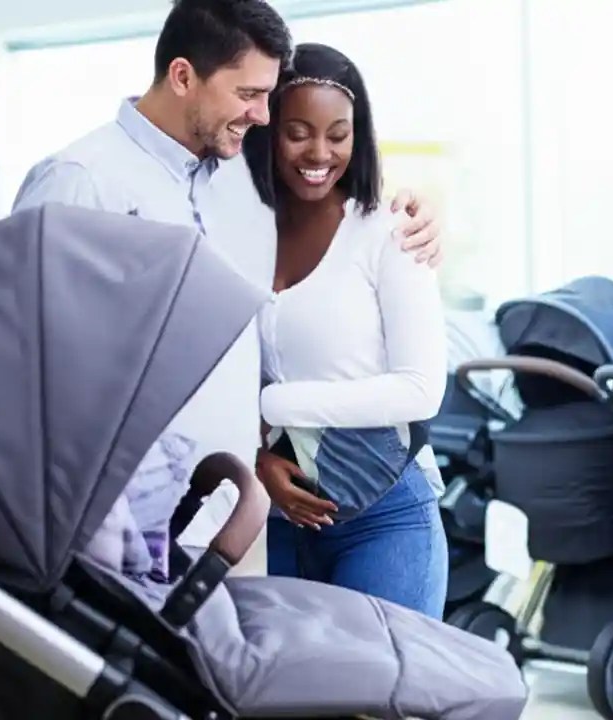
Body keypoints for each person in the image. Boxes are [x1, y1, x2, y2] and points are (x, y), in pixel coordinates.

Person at [10, 0, 447, 582]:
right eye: (248, 95)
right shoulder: (82, 180)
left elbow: (328, 172)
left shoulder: (235, 179)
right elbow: (35, 369)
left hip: (232, 521)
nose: (263, 115)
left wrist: (416, 209)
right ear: (184, 76)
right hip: (122, 525)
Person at [242, 43, 449, 618]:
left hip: (384, 518)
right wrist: (258, 455)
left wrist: (274, 404)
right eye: (298, 131)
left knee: (376, 704)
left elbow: (420, 389)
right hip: (276, 517)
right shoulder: (241, 233)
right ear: (269, 130)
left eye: (338, 134)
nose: (319, 152)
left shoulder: (391, 235)